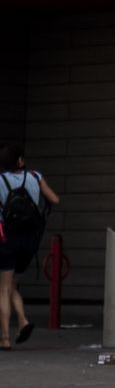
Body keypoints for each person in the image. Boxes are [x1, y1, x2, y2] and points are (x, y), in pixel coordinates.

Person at [1, 142, 59, 349]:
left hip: (6, 239)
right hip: (29, 241)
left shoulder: (0, 180)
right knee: (13, 285)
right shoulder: (35, 177)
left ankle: (5, 338)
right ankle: (23, 320)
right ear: (21, 161)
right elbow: (55, 199)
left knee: (4, 288)